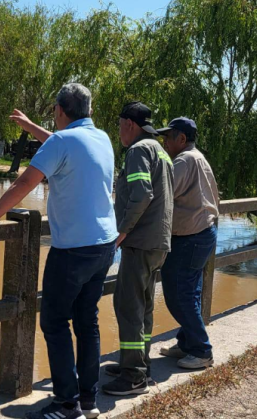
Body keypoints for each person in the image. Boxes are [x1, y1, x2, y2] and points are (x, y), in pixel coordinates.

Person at [0, 83, 118, 419]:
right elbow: (64, 147)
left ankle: (65, 404)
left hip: (73, 250)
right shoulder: (101, 138)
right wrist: (32, 127)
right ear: (87, 111)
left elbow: (23, 183)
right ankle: (88, 401)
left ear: (60, 111)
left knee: (54, 321)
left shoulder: (63, 141)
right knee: (87, 320)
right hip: (104, 245)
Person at [101, 102, 173, 397]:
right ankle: (138, 364)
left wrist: (122, 231)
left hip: (140, 241)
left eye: (119, 126)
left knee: (129, 307)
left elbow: (142, 193)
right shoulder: (161, 151)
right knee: (143, 307)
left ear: (129, 124)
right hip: (159, 241)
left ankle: (133, 376)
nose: (119, 132)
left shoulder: (138, 150)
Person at [155, 117, 219, 370]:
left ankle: (202, 350)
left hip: (190, 237)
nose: (164, 141)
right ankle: (187, 342)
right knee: (189, 292)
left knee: (178, 294)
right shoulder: (197, 157)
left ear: (182, 139)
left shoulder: (183, 160)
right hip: (202, 233)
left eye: (168, 137)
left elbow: (163, 193)